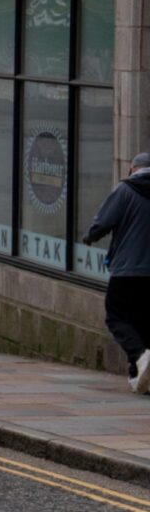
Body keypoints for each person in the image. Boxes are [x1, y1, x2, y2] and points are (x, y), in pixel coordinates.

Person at [84, 152, 150, 392]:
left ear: (133, 169)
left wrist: (90, 236)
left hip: (127, 269)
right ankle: (139, 378)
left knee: (116, 316)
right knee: (143, 321)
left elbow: (102, 222)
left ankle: (140, 358)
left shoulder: (125, 190)